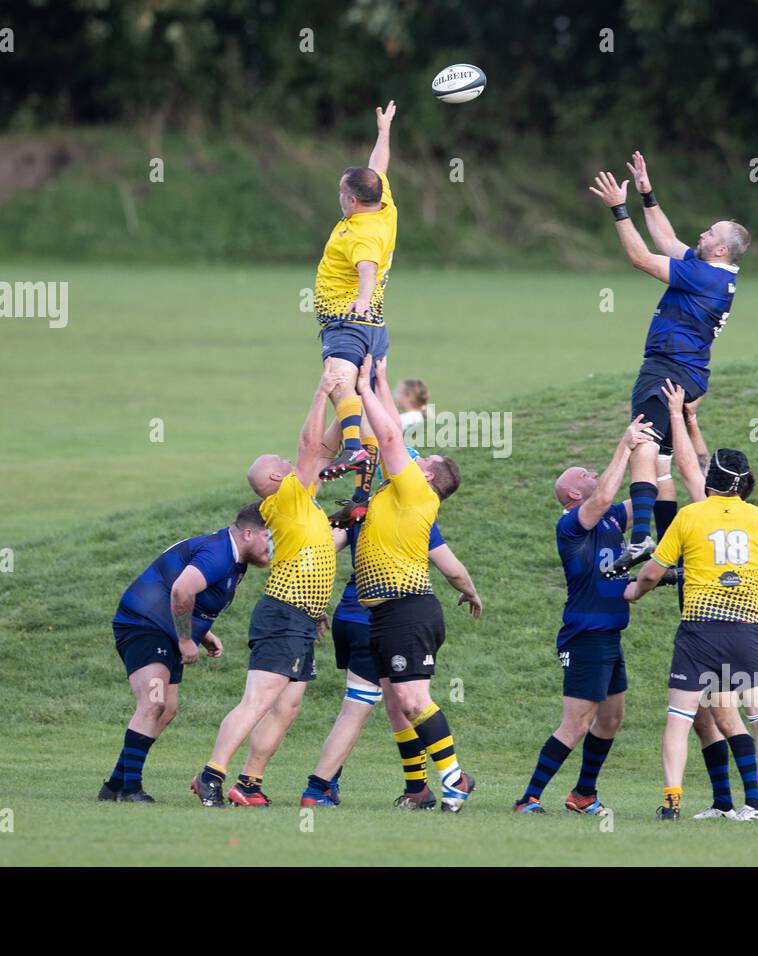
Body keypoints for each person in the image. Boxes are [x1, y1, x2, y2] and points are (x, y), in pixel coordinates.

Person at [624, 426, 758, 824]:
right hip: (746, 630)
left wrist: (633, 594)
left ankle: (671, 803)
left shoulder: (690, 516)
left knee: (679, 718)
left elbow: (653, 572)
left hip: (699, 631)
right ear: (743, 486)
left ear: (711, 483)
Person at [587, 154, 750, 577]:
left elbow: (641, 257)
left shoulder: (706, 277)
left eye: (709, 232)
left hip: (668, 369)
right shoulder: (711, 269)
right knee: (660, 464)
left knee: (640, 440)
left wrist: (617, 209)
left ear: (718, 248)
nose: (702, 232)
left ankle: (642, 538)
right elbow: (666, 239)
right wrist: (646, 192)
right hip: (686, 371)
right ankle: (671, 552)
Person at [191, 370, 344, 807]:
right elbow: (311, 448)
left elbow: (326, 446)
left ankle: (249, 783)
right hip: (284, 612)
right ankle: (211, 774)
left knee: (287, 706)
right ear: (278, 479)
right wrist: (320, 394)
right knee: (259, 701)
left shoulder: (302, 498)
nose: (293, 464)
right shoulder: (287, 497)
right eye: (285, 464)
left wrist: (348, 402)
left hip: (301, 615)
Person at [513, 416, 654, 816]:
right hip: (584, 636)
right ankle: (528, 798)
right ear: (573, 492)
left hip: (609, 635)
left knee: (611, 719)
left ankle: (583, 794)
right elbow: (605, 498)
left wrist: (659, 455)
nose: (590, 472)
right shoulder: (571, 525)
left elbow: (656, 498)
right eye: (583, 473)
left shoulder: (609, 520)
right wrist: (624, 447)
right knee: (576, 723)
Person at [352, 353, 473, 811]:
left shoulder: (416, 489)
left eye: (426, 457)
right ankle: (417, 788)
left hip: (409, 606)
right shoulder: (402, 487)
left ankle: (455, 778)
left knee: (411, 695)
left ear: (427, 475)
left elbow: (388, 435)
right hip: (386, 610)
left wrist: (363, 388)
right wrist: (382, 378)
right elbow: (393, 435)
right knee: (395, 701)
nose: (414, 455)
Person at [297, 515, 482, 809]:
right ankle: (320, 786)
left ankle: (416, 789)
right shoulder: (414, 514)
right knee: (372, 707)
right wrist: (471, 591)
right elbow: (452, 569)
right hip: (383, 619)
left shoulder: (363, 511)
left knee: (395, 705)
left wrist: (314, 600)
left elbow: (321, 550)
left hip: (349, 616)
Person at [100, 503, 270, 802]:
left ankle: (114, 784)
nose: (273, 545)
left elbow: (192, 596)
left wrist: (202, 634)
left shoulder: (232, 556)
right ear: (247, 534)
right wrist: (185, 640)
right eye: (270, 536)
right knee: (153, 703)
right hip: (143, 624)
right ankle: (130, 789)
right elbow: (182, 590)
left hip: (163, 628)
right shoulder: (218, 553)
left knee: (166, 709)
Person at [314, 101, 399, 529]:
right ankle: (362, 494)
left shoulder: (363, 233)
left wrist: (362, 298)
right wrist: (383, 133)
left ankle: (353, 448)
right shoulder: (384, 208)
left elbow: (366, 267)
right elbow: (377, 168)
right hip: (376, 328)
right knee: (363, 401)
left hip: (349, 322)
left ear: (350, 198)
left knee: (337, 383)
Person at [395, 377, 429, 445]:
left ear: (408, 396)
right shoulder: (420, 416)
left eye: (399, 392)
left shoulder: (405, 419)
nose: (396, 396)